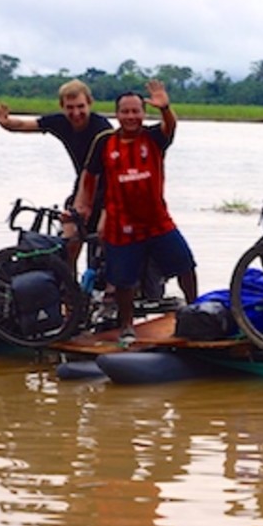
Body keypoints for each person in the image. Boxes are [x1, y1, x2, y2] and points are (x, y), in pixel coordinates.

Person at [74, 80, 197, 344]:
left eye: (136, 111)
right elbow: (90, 175)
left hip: (157, 221)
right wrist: (82, 206)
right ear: (117, 114)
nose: (131, 117)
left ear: (143, 113)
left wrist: (166, 108)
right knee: (123, 280)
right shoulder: (104, 142)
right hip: (121, 222)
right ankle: (126, 324)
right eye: (125, 112)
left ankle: (194, 309)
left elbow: (171, 127)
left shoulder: (153, 137)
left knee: (185, 264)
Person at [0, 80, 114, 261]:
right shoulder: (61, 122)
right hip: (81, 188)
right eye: (70, 108)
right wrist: (5, 122)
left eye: (81, 107)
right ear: (62, 107)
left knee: (103, 243)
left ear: (90, 103)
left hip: (109, 189)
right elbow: (25, 125)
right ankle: (68, 285)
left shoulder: (102, 128)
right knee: (69, 240)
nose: (76, 113)